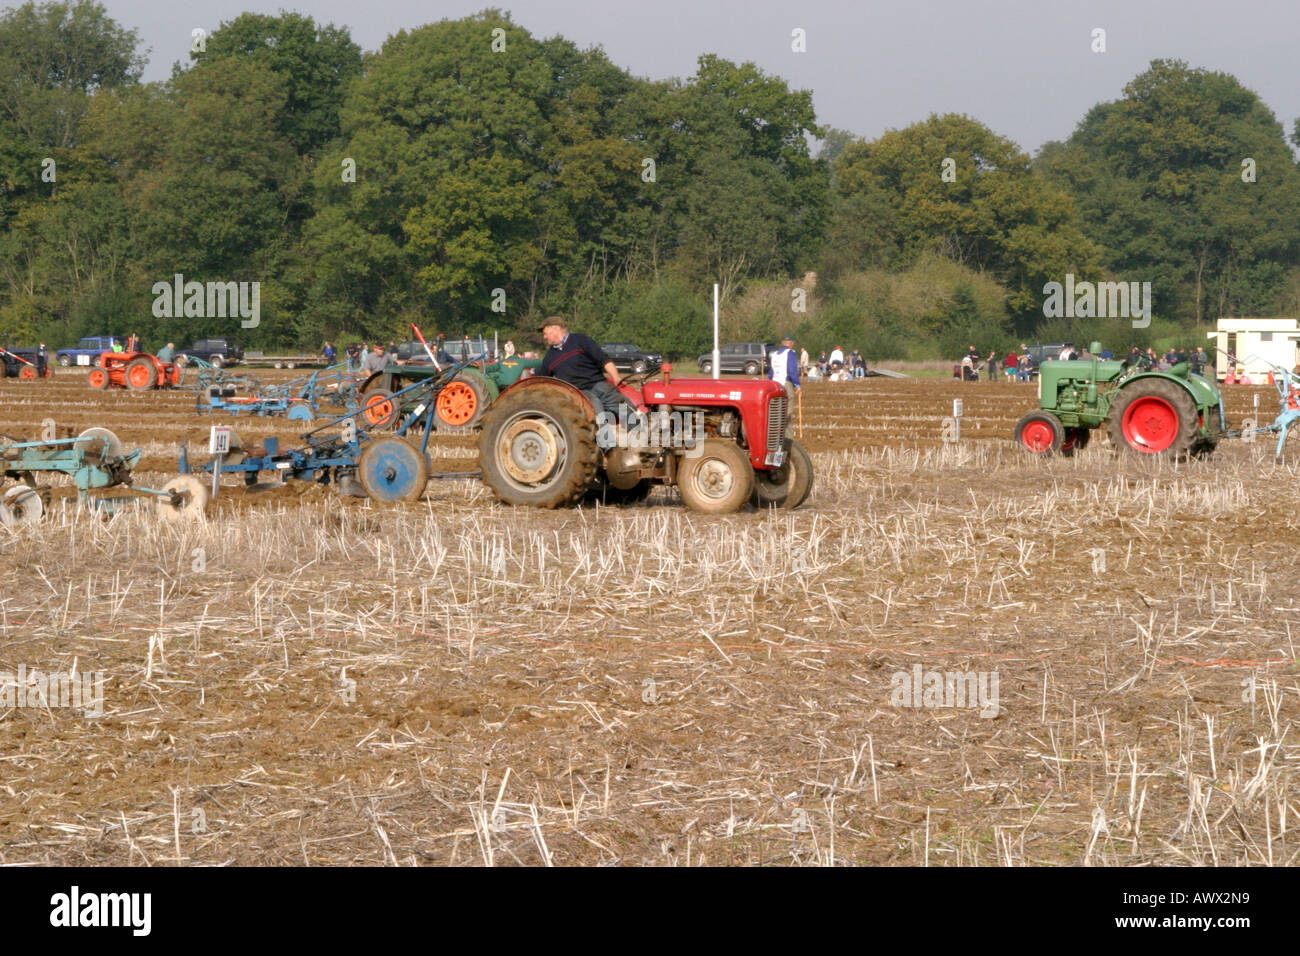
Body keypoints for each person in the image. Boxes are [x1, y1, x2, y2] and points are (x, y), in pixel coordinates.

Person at [537, 317, 640, 432]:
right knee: (595, 410)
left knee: (619, 403)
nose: (544, 337)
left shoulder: (580, 340)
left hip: (598, 383)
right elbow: (540, 379)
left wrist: (615, 377)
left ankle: (639, 434)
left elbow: (603, 359)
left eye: (545, 333)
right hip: (579, 392)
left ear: (555, 328)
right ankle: (607, 446)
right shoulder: (549, 357)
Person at [768, 335, 800, 417]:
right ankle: (784, 428)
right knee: (787, 409)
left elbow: (771, 372)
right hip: (785, 383)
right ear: (792, 343)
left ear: (782, 343)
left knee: (777, 407)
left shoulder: (775, 354)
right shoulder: (790, 353)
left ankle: (778, 428)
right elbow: (792, 370)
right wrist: (797, 385)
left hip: (774, 384)